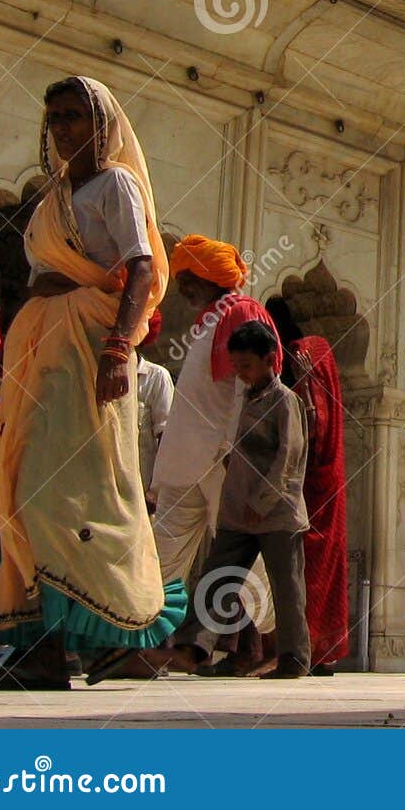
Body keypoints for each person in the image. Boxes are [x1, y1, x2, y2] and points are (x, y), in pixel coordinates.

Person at [0, 76, 184, 690]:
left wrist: (119, 349)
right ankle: (47, 651)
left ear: (101, 125)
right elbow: (39, 288)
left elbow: (141, 265)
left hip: (87, 347)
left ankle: (89, 644)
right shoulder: (53, 199)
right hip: (43, 347)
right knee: (25, 490)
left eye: (74, 116)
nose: (63, 128)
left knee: (69, 494)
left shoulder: (116, 183)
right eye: (55, 117)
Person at [168, 321, 310, 678]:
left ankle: (294, 659)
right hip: (239, 512)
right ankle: (193, 647)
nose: (241, 373)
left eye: (247, 365)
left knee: (286, 587)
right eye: (238, 366)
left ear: (269, 360)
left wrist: (261, 501)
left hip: (276, 512)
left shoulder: (284, 401)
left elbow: (288, 457)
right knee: (217, 576)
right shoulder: (245, 399)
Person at [150, 236, 277, 591]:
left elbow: (248, 386)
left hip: (223, 461)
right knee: (160, 559)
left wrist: (235, 449)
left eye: (187, 278)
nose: (184, 289)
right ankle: (146, 639)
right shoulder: (210, 321)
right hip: (187, 462)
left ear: (208, 275)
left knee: (248, 566)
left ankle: (284, 643)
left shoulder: (240, 311)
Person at [267, 297, 350, 675]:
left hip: (312, 486)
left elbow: (312, 425)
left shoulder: (304, 358)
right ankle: (320, 651)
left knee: (305, 567)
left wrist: (302, 384)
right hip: (325, 484)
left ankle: (304, 649)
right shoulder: (319, 355)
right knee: (321, 568)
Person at [134, 309, 174, 490]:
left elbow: (167, 439)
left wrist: (156, 490)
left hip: (142, 488)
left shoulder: (157, 378)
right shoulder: (96, 376)